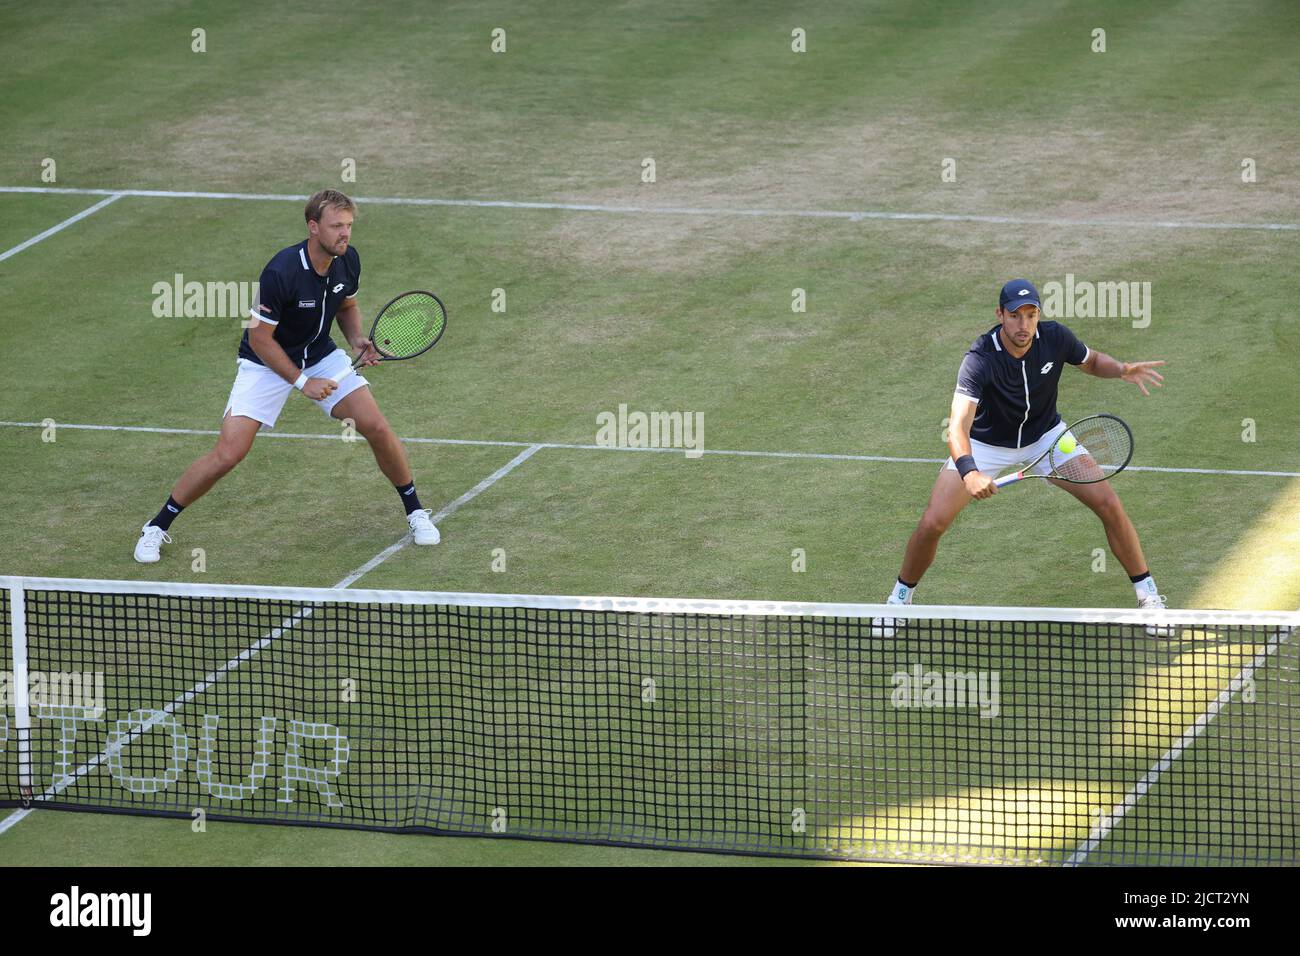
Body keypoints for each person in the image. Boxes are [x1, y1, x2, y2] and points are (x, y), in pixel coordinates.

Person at [133, 189, 439, 562]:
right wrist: (301, 382)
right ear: (313, 227)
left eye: (349, 226)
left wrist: (357, 339)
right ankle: (157, 526)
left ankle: (415, 511)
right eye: (336, 226)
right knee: (229, 453)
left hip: (320, 353)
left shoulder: (347, 259)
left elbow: (347, 303)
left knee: (375, 425)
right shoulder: (282, 271)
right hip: (266, 362)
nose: (345, 234)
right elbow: (260, 339)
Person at [873, 278, 1167, 636]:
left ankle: (1148, 598)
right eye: (1015, 315)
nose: (1023, 325)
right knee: (933, 523)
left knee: (1108, 504)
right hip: (984, 446)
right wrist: (969, 473)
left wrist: (1121, 369)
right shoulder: (980, 358)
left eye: (1031, 315)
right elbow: (957, 429)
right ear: (1000, 315)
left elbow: (1089, 362)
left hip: (1046, 438)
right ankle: (899, 599)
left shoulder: (1055, 338)